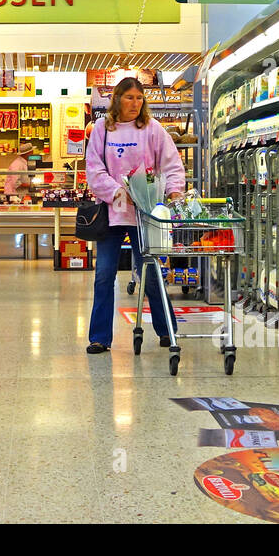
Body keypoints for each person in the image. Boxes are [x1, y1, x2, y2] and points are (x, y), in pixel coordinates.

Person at [83, 77, 185, 354]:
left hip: (146, 214)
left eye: (139, 98)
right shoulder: (103, 129)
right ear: (117, 99)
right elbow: (93, 169)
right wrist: (117, 191)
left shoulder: (152, 129)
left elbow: (172, 163)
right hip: (112, 213)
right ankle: (100, 337)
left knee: (151, 273)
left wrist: (175, 192)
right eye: (129, 97)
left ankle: (167, 331)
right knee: (104, 274)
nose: (135, 103)